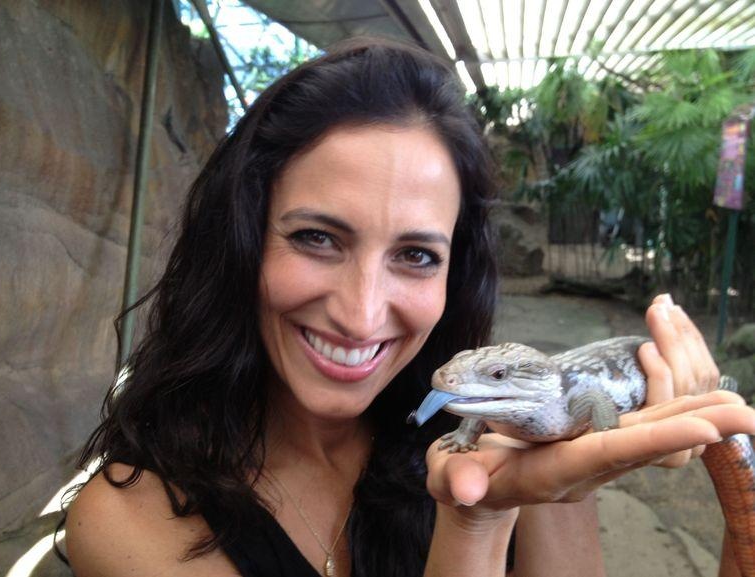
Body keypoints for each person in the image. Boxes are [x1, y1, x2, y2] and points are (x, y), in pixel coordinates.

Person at [64, 37, 754, 577]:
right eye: (317, 237)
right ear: (240, 239)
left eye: (417, 254)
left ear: (456, 273)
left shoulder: (504, 432)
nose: (362, 314)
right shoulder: (125, 521)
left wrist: (567, 476)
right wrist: (475, 518)